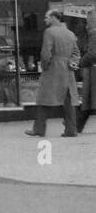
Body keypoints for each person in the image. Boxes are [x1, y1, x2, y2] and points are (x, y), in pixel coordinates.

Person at [25, 10, 79, 138]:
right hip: (67, 70)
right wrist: (72, 62)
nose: (44, 20)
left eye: (46, 17)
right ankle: (71, 129)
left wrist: (44, 66)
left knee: (44, 99)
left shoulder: (49, 32)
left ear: (54, 17)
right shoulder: (70, 33)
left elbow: (46, 53)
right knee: (68, 100)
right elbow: (76, 52)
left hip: (53, 68)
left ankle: (39, 128)